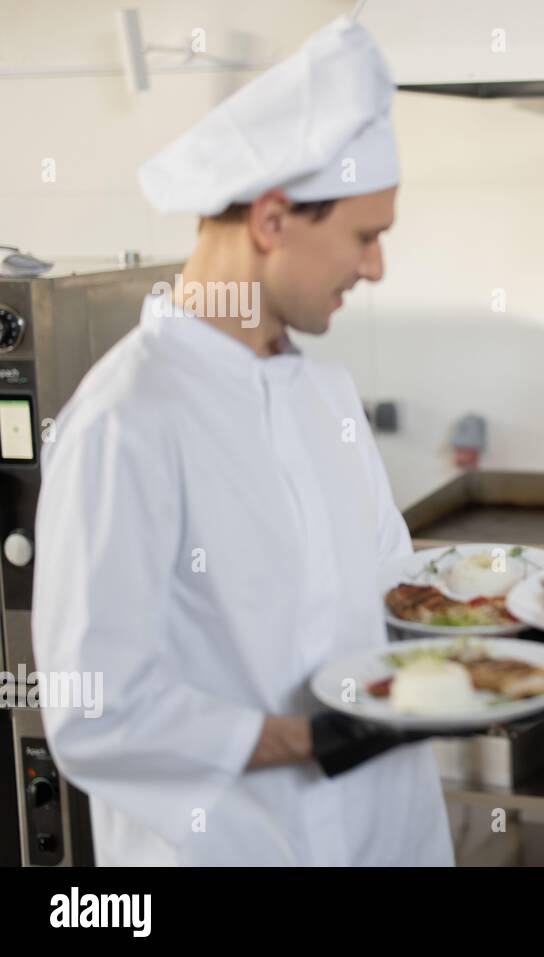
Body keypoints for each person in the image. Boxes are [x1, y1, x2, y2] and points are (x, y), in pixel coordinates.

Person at [32, 16, 454, 866]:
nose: (375, 270)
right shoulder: (126, 419)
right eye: (366, 236)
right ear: (271, 220)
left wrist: (513, 636)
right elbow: (92, 710)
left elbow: (392, 587)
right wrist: (309, 738)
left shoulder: (325, 394)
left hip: (389, 839)